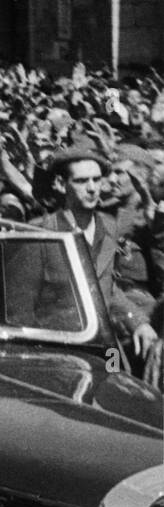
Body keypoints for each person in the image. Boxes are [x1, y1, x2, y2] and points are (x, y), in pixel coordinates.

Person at [32, 146, 158, 367]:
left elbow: (106, 287)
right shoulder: (41, 233)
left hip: (105, 346)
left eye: (97, 180)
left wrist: (137, 322)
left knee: (119, 391)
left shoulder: (108, 225)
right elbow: (21, 303)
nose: (92, 188)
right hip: (58, 351)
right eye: (81, 181)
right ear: (61, 185)